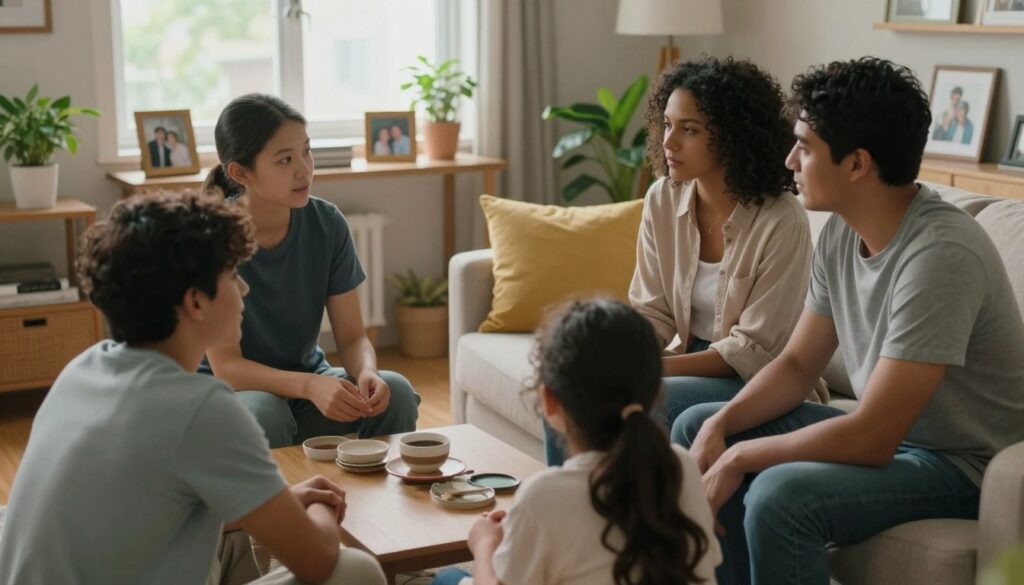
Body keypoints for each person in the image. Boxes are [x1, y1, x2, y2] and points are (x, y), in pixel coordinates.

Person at [672, 57, 1024, 585]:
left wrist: (744, 454)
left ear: (857, 164)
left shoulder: (941, 256)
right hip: (898, 440)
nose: (790, 160)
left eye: (805, 147)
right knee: (698, 424)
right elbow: (795, 365)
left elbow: (873, 437)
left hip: (961, 465)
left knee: (779, 495)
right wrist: (724, 426)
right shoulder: (840, 231)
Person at [0, 191, 386, 584]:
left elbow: (142, 515)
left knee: (236, 545)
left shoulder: (82, 370)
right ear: (196, 302)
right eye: (234, 275)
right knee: (357, 572)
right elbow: (319, 561)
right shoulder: (201, 408)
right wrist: (322, 504)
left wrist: (283, 503)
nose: (245, 290)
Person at [543, 55, 821, 465]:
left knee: (655, 401)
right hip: (688, 359)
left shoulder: (781, 220)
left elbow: (753, 351)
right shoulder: (664, 196)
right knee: (576, 390)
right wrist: (618, 358)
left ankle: (642, 522)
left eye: (689, 129)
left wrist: (650, 369)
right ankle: (570, 511)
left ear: (733, 136)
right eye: (668, 125)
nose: (669, 142)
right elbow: (652, 310)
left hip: (759, 381)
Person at [432, 298, 721, 585]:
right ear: (653, 390)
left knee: (447, 579)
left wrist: (484, 545)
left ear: (549, 401)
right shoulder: (681, 468)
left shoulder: (544, 495)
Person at [202, 94, 419, 448]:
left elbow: (352, 337)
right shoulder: (210, 235)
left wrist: (366, 372)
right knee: (265, 412)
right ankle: (279, 504)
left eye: (307, 151)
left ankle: (386, 501)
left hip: (305, 387)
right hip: (234, 395)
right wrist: (309, 385)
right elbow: (227, 367)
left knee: (394, 390)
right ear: (241, 173)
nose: (304, 169)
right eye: (285, 159)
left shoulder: (327, 223)